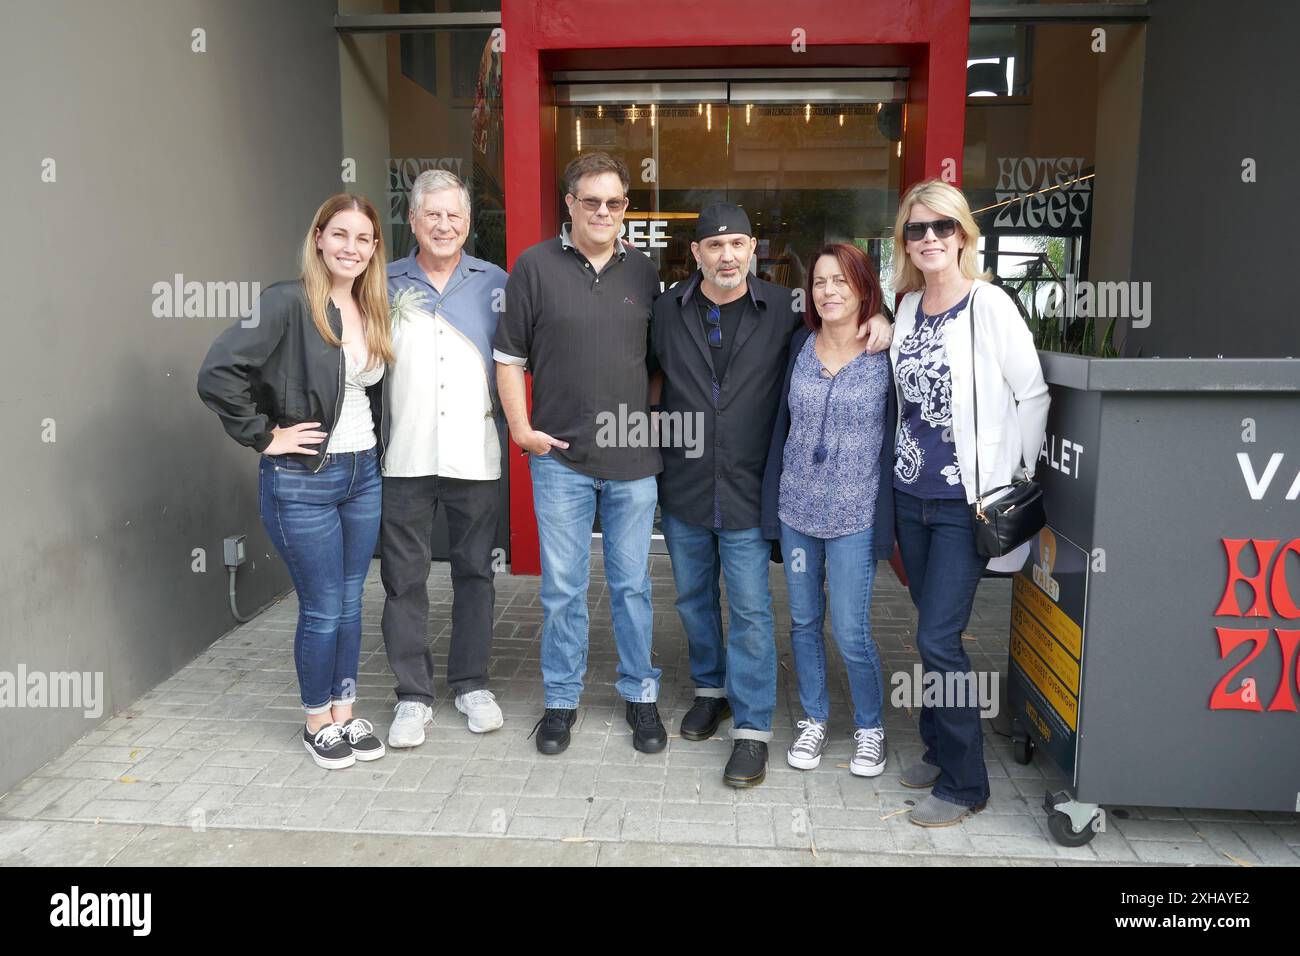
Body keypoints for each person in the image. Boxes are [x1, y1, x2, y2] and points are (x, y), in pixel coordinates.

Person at [654, 205, 891, 787]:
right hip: (684, 485)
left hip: (748, 489)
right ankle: (712, 691)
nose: (727, 255)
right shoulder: (665, 311)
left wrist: (885, 318)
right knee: (691, 599)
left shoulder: (785, 312)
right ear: (697, 253)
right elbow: (644, 379)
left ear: (754, 247)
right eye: (714, 245)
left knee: (754, 611)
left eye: (737, 243)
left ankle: (754, 728)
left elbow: (848, 316)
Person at [197, 194, 395, 769]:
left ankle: (345, 710)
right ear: (318, 239)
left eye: (362, 238)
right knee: (324, 604)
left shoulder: (371, 307)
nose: (351, 248)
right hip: (304, 477)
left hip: (363, 474)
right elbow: (217, 372)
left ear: (374, 248)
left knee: (353, 599)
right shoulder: (287, 302)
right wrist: (265, 436)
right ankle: (315, 719)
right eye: (340, 235)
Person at [888, 179, 1049, 827]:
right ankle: (935, 745)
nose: (929, 239)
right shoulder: (904, 307)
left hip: (966, 504)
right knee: (934, 635)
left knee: (939, 639)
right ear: (905, 240)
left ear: (963, 236)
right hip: (910, 495)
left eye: (942, 228)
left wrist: (1014, 479)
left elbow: (1032, 394)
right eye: (916, 229)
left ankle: (965, 783)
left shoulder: (989, 304)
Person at [492, 152, 665, 755]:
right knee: (563, 589)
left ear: (625, 208)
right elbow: (509, 358)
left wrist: (639, 423)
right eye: (590, 201)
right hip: (558, 457)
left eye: (614, 202)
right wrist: (522, 430)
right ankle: (561, 701)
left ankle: (641, 694)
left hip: (632, 462)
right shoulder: (534, 268)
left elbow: (655, 365)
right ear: (569, 204)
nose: (602, 211)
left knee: (632, 586)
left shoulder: (644, 272)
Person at [381, 170, 510, 748]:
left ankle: (471, 683)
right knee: (403, 580)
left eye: (454, 215)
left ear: (467, 221)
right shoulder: (380, 284)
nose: (443, 225)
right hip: (402, 455)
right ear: (412, 220)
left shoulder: (496, 283)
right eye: (431, 214)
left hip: (475, 455)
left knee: (475, 573)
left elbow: (518, 361)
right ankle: (412, 696)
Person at [761, 243, 897, 781]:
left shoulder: (887, 348)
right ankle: (814, 718)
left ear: (864, 287)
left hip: (856, 516)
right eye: (819, 282)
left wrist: (885, 320)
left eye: (842, 280)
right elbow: (780, 426)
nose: (830, 291)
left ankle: (870, 727)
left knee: (850, 629)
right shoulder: (798, 343)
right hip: (797, 510)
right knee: (802, 621)